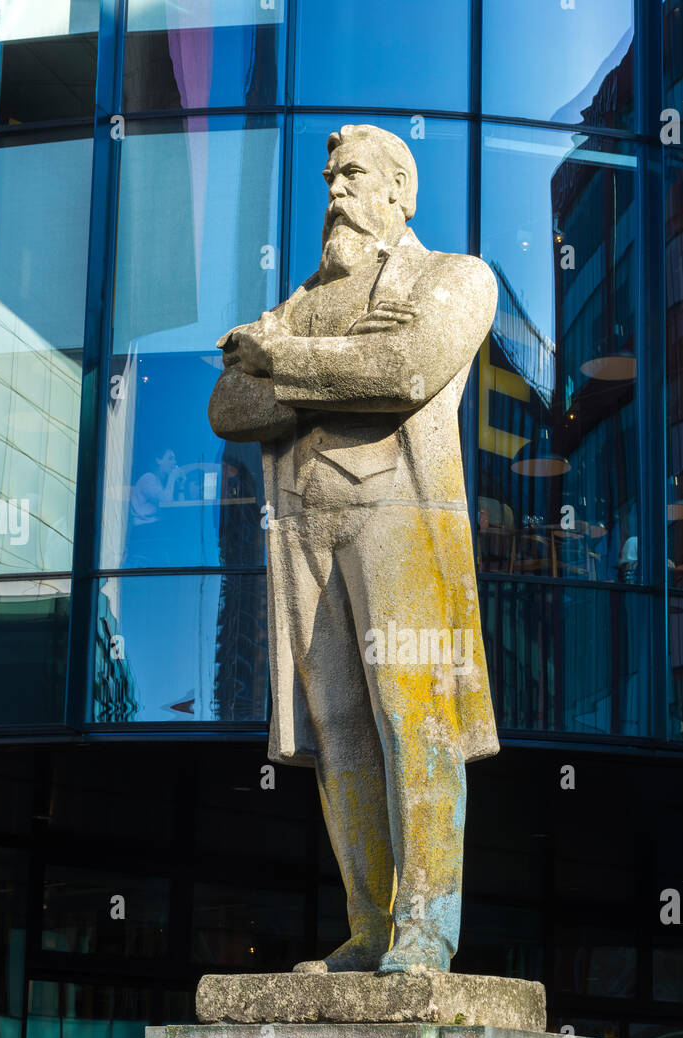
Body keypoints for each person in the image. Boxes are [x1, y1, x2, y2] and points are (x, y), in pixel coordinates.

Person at [209, 124, 499, 974]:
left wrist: (284, 362)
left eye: (354, 175)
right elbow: (231, 406)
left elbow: (408, 368)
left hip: (400, 516)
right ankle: (370, 929)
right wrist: (314, 365)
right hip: (306, 529)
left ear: (399, 193)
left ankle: (427, 929)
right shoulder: (302, 300)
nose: (334, 190)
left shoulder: (455, 278)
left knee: (414, 716)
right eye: (330, 176)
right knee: (338, 727)